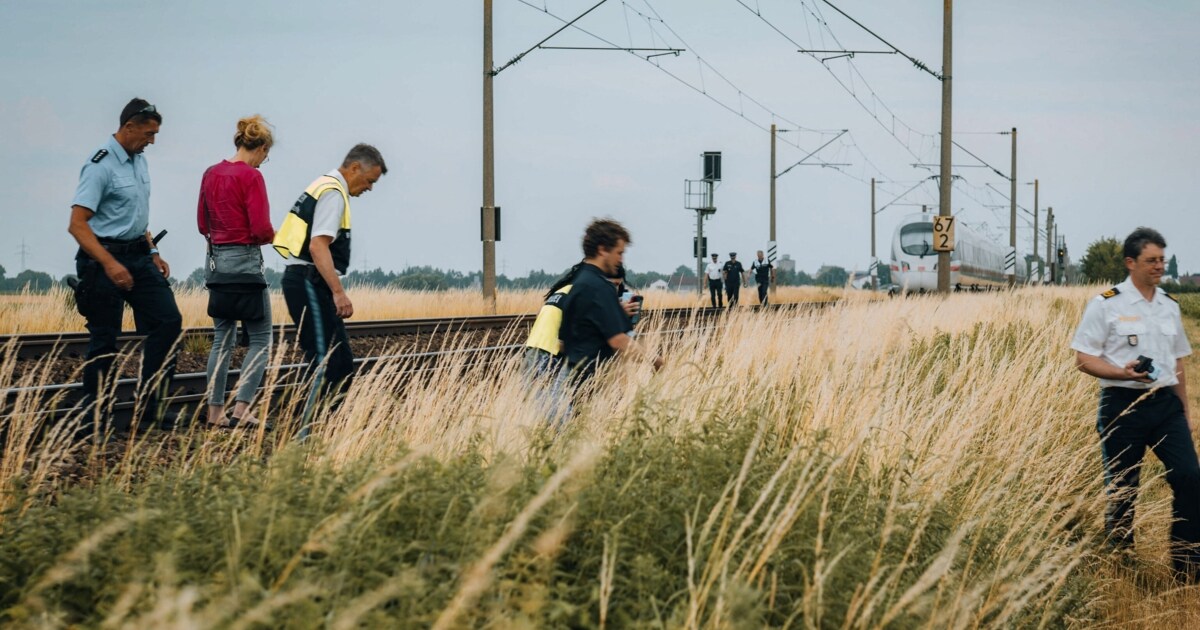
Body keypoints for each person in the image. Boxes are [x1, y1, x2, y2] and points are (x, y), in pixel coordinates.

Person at [1070, 226, 1199, 582]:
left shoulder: (1169, 306)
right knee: (1123, 489)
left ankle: (1187, 568)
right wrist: (1120, 372)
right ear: (1131, 263)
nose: (1159, 266)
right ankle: (1121, 566)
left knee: (1190, 478)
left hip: (1165, 406)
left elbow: (1177, 363)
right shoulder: (1106, 304)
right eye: (1151, 260)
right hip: (1122, 405)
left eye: (1161, 260)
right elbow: (1082, 358)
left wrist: (1185, 412)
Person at [68, 98, 182, 431]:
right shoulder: (99, 164)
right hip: (101, 259)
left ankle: (151, 407)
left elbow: (132, 216)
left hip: (139, 256)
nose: (153, 140)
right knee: (104, 339)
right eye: (149, 133)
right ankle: (93, 421)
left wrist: (152, 251)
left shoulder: (139, 161)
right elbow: (77, 224)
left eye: (156, 133)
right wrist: (109, 264)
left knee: (168, 322)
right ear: (128, 127)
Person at [273, 144, 387, 423]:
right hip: (309, 281)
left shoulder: (323, 186)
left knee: (339, 362)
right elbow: (318, 247)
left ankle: (321, 425)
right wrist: (339, 293)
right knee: (326, 362)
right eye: (370, 181)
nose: (370, 188)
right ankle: (307, 429)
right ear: (355, 168)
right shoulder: (334, 194)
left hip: (306, 280)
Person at [197, 115, 275, 429]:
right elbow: (260, 228)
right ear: (262, 148)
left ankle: (215, 414)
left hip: (217, 265)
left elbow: (203, 224)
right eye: (266, 156)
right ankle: (242, 410)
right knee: (260, 337)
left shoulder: (210, 173)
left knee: (222, 339)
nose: (264, 161)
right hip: (246, 266)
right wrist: (271, 236)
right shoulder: (252, 177)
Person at [560, 219, 662, 387]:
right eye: (619, 253)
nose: (621, 259)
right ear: (602, 250)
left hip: (573, 379)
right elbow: (619, 340)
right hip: (592, 382)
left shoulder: (578, 283)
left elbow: (564, 342)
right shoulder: (599, 287)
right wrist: (655, 361)